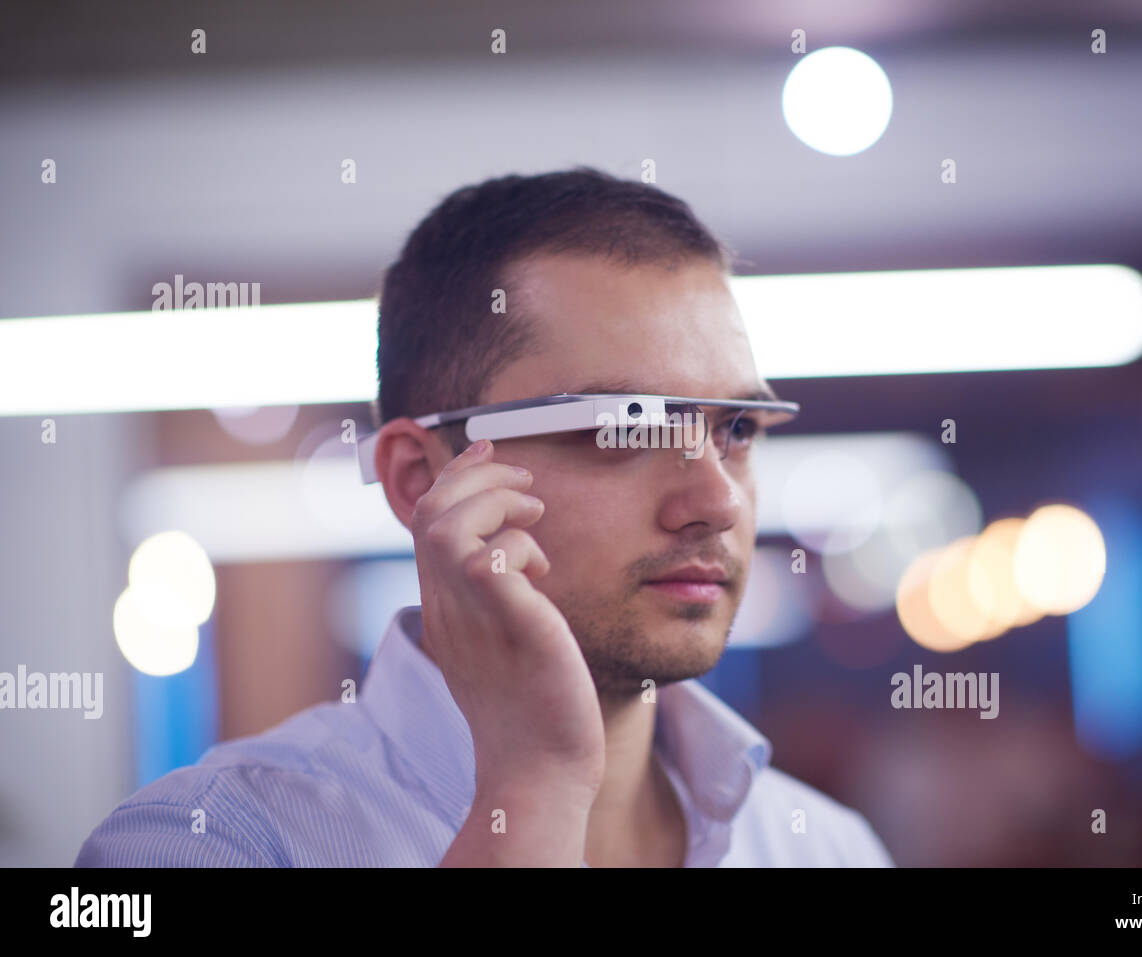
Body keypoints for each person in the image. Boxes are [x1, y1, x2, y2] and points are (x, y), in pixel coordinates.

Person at [75, 167, 894, 867]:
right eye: (623, 425)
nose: (716, 500)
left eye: (737, 429)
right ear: (418, 479)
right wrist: (531, 790)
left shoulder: (826, 848)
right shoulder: (208, 842)